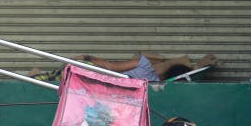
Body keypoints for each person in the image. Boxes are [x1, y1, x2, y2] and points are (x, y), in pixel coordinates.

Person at [30, 53, 220, 83]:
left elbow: (110, 66)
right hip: (98, 81)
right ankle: (39, 75)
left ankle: (37, 75)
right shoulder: (152, 83)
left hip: (96, 74)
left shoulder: (143, 63)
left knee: (70, 71)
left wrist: (88, 56)